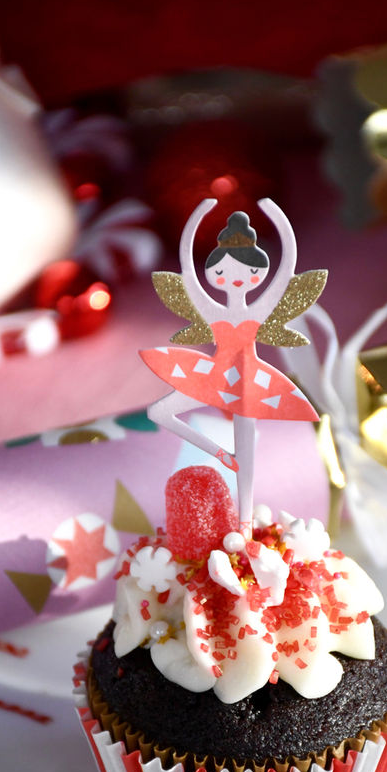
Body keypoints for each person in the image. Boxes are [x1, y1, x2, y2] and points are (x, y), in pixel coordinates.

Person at [141, 197, 326, 535]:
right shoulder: (212, 310)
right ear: (214, 275)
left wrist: (279, 221)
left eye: (250, 272)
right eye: (223, 271)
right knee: (160, 412)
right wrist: (196, 220)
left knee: (247, 452)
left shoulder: (259, 309)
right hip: (212, 377)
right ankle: (221, 454)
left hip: (250, 383)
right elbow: (188, 276)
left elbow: (285, 274)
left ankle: (242, 526)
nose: (237, 279)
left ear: (258, 275)